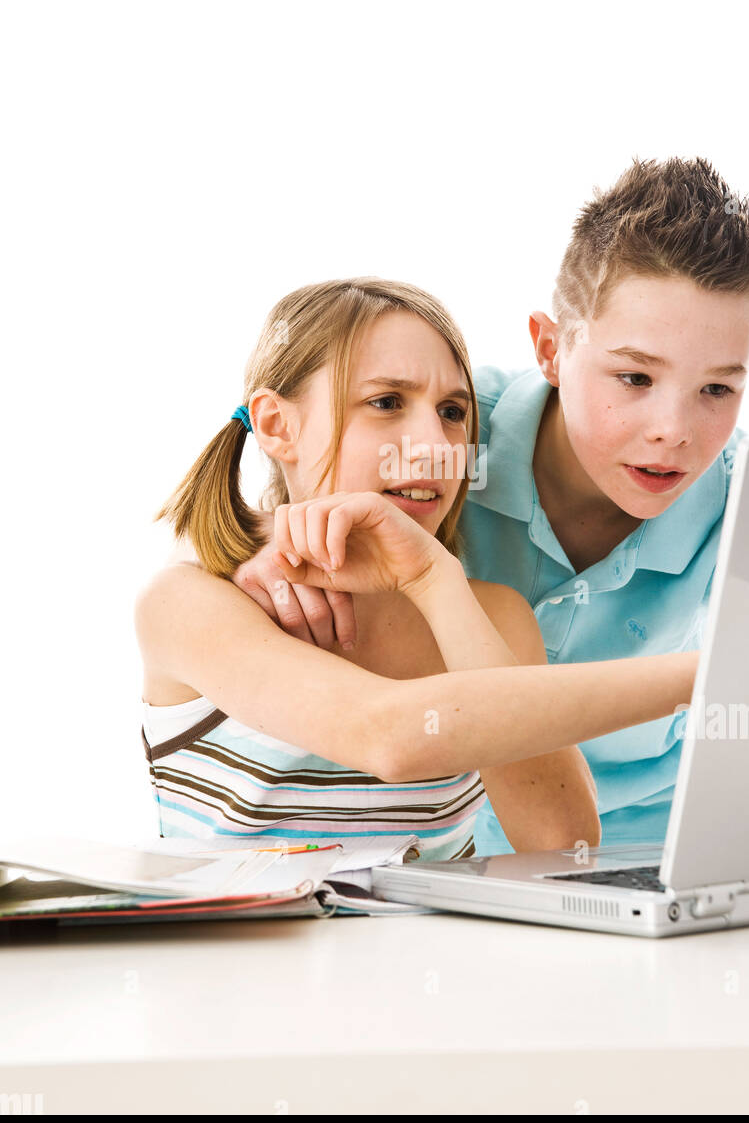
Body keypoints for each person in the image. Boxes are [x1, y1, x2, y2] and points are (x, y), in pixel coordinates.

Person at [225, 157, 749, 854]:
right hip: (435, 868)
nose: (674, 429)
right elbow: (282, 474)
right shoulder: (440, 435)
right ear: (550, 348)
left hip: (632, 866)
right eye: (634, 377)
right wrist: (270, 546)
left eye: (717, 390)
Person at [135, 277, 697, 859]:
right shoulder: (190, 601)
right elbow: (392, 737)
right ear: (278, 426)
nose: (436, 444)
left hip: (431, 952)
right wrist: (703, 678)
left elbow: (561, 840)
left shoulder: (493, 615)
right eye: (386, 403)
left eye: (453, 412)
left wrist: (434, 581)